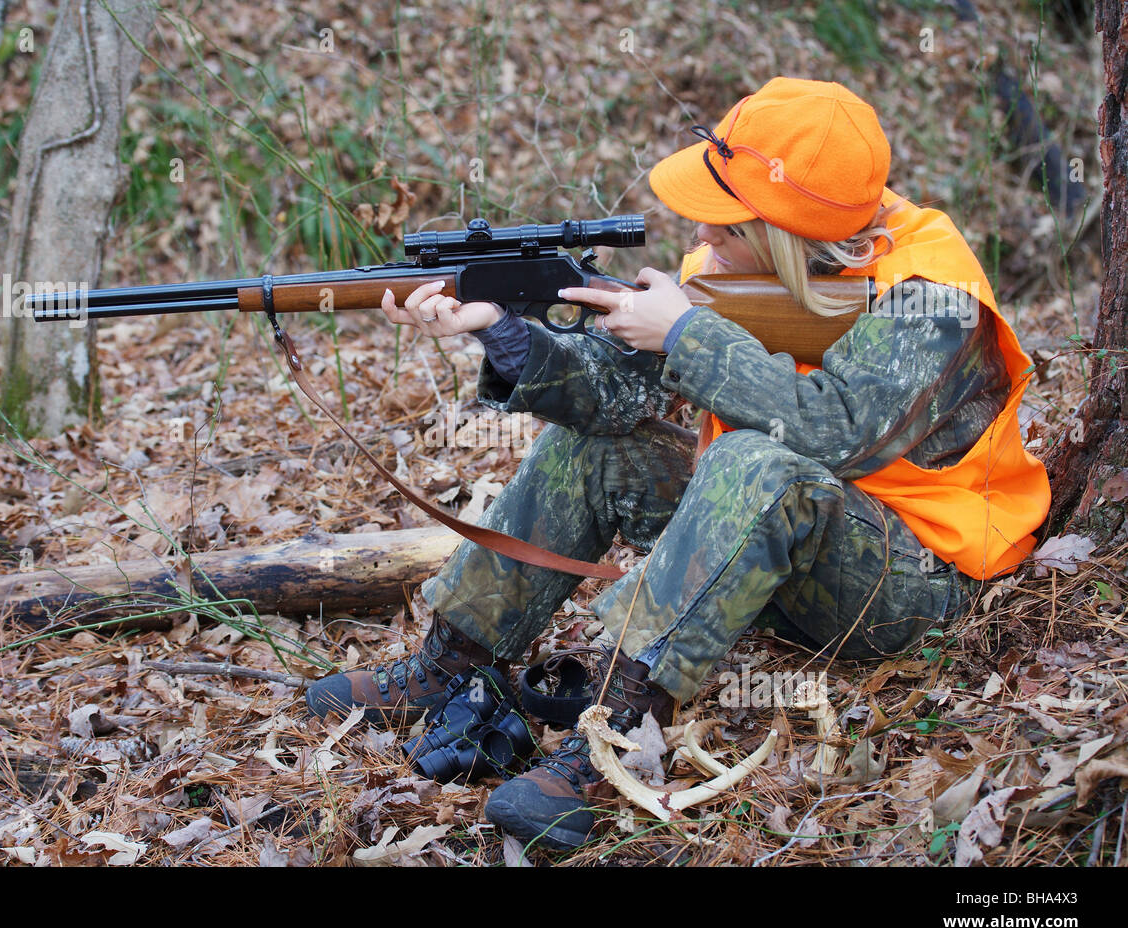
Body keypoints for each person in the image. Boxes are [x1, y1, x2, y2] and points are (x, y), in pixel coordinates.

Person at [305, 76, 1051, 850]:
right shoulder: (731, 269)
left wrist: (688, 335)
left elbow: (836, 435)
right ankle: (452, 661)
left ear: (784, 234)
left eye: (725, 223)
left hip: (908, 587)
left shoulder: (931, 296)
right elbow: (615, 401)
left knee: (756, 463)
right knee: (600, 448)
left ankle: (618, 742)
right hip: (776, 552)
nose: (700, 233)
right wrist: (506, 335)